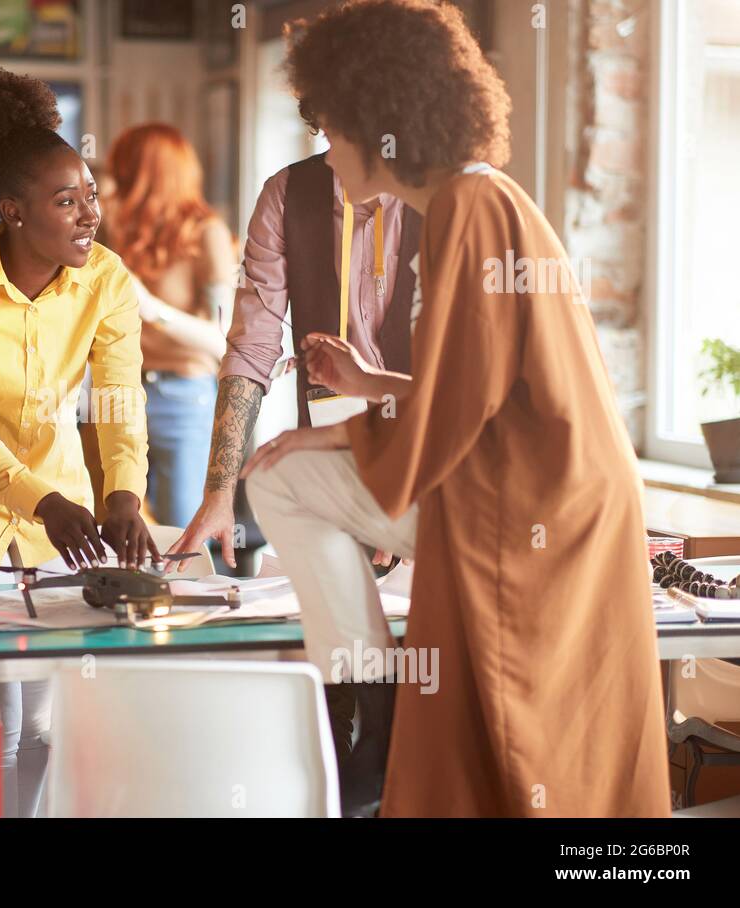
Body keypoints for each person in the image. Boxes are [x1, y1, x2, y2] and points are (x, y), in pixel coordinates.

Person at [240, 0, 670, 817]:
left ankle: (373, 708)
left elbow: (463, 404)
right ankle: (375, 708)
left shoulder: (472, 206)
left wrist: (324, 438)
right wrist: (372, 394)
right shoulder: (473, 205)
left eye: (332, 132)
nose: (327, 155)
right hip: (544, 490)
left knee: (280, 482)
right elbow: (487, 391)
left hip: (536, 505)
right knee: (292, 474)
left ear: (377, 121)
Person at [164, 43, 422, 800]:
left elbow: (459, 383)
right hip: (344, 452)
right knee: (276, 477)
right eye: (320, 128)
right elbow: (250, 350)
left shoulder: (444, 203)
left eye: (336, 133)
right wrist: (218, 492)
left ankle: (393, 738)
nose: (324, 149)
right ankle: (358, 719)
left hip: (436, 458)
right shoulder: (288, 195)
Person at [0, 69, 156, 818]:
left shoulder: (106, 280)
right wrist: (40, 500)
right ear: (11, 210)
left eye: (90, 195)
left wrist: (122, 494)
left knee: (49, 722)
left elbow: (118, 400)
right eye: (67, 200)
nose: (91, 216)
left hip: (67, 532)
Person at [105, 123, 235, 528]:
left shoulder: (206, 233)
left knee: (181, 531)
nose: (113, 182)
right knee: (117, 527)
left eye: (122, 171)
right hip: (120, 393)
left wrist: (151, 308)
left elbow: (221, 338)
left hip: (184, 396)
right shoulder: (116, 226)